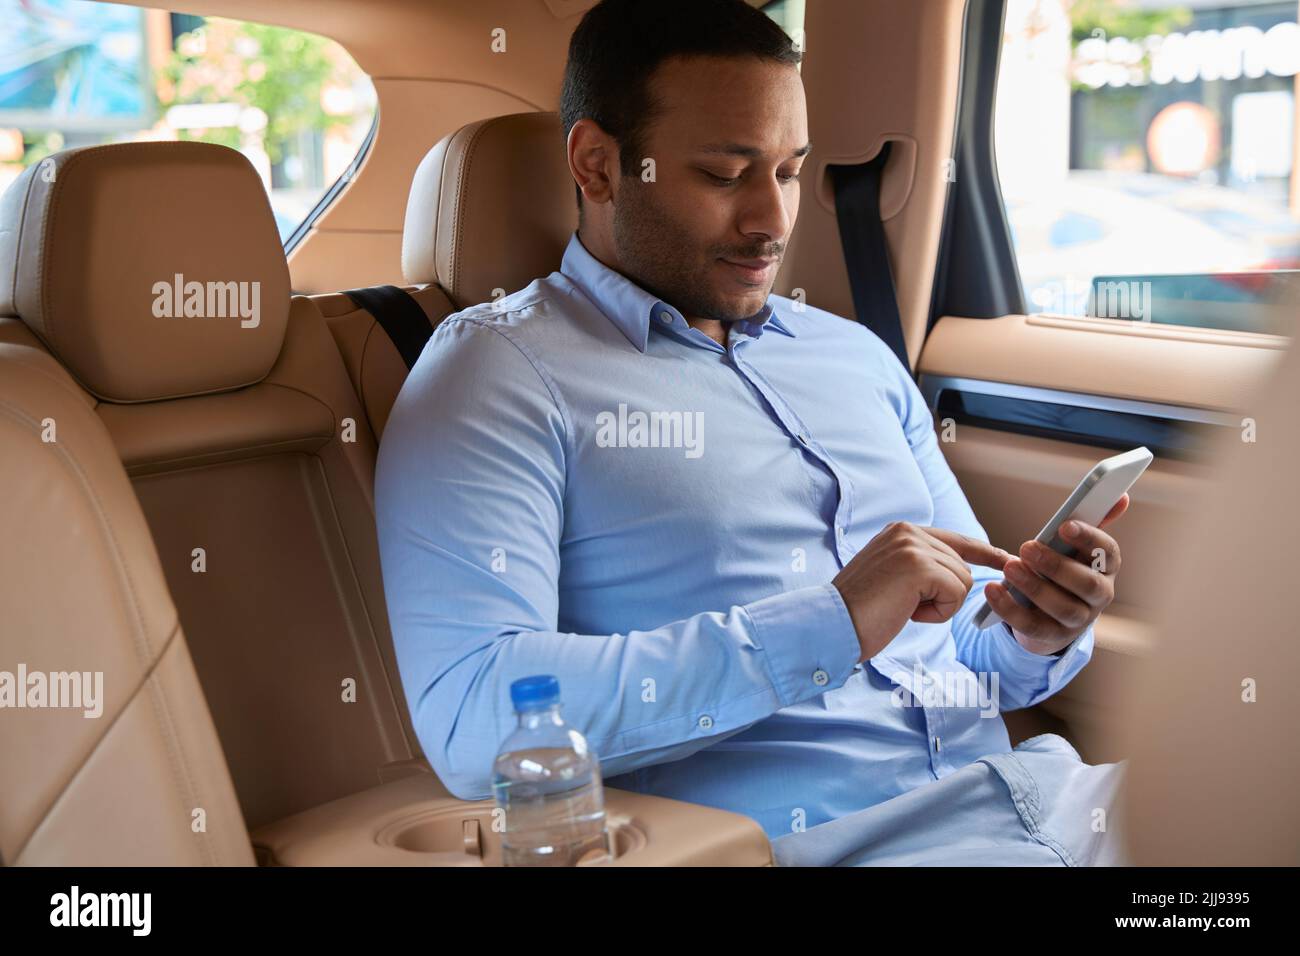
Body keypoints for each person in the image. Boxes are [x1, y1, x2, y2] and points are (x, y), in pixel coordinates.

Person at [375, 0, 1132, 865]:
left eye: (787, 170)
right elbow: (476, 719)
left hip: (1042, 801)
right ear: (597, 166)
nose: (772, 221)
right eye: (725, 175)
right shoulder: (495, 375)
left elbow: (968, 647)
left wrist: (1037, 627)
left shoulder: (855, 357)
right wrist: (832, 620)